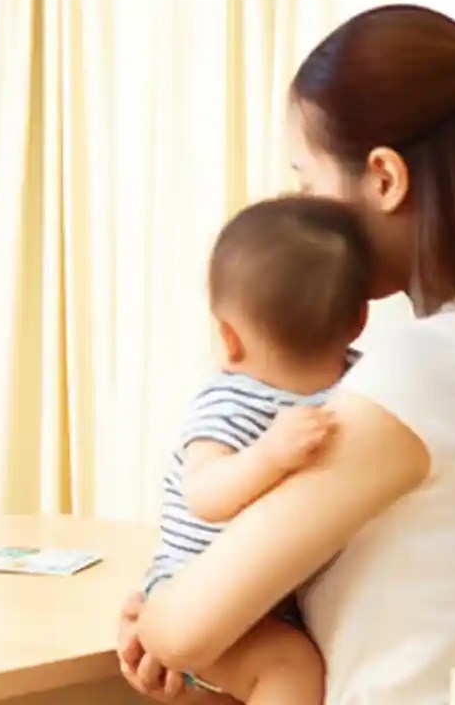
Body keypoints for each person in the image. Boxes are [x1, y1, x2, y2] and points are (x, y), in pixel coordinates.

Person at [118, 4, 455, 704]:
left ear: (385, 179)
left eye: (308, 183)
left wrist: (163, 613)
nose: (301, 210)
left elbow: (180, 631)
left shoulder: (423, 373)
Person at [144, 196, 372, 704]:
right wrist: (268, 456)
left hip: (273, 597)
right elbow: (204, 493)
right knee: (290, 669)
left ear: (227, 335)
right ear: (359, 317)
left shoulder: (366, 386)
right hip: (197, 591)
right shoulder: (230, 398)